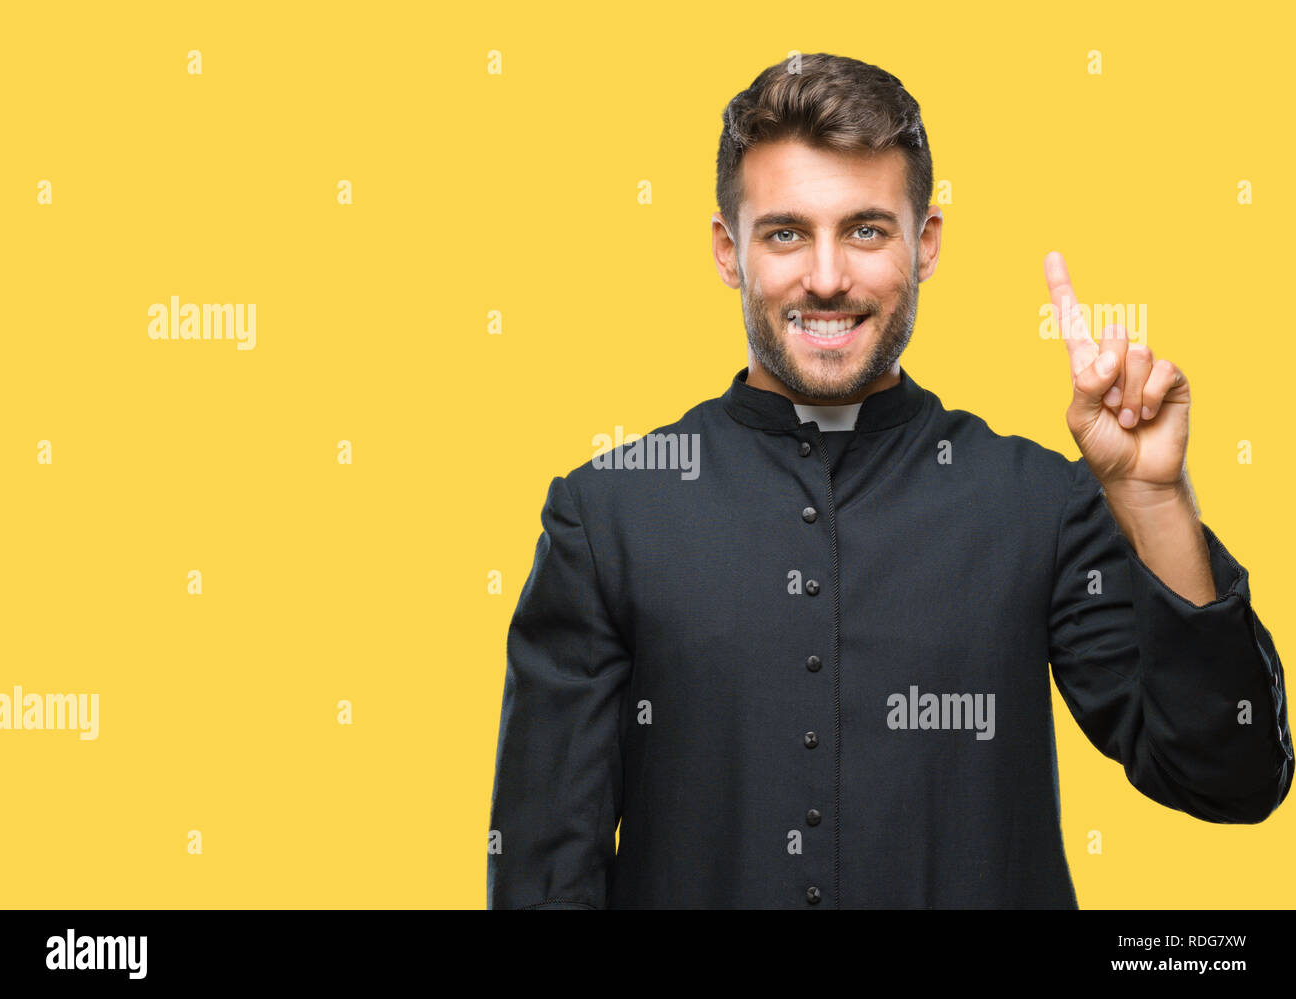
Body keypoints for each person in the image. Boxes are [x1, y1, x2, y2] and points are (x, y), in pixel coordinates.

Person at [486, 52, 1292, 909]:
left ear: (926, 243)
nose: (827, 277)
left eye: (866, 229)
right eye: (786, 232)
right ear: (729, 251)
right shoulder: (607, 516)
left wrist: (1154, 499)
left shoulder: (1039, 505)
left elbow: (1230, 778)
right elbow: (543, 878)